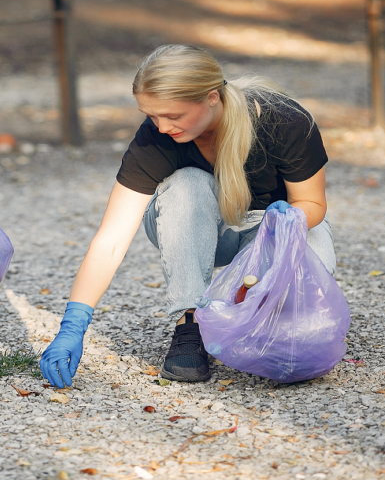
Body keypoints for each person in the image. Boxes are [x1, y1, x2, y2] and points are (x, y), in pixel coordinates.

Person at [40, 44, 335, 387]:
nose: (162, 127)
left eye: (173, 116)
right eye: (151, 115)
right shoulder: (157, 139)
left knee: (296, 335)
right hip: (203, 230)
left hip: (270, 231)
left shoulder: (283, 120)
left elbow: (312, 204)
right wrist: (73, 325)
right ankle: (190, 325)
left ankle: (263, 317)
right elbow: (112, 238)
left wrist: (289, 221)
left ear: (211, 98)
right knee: (186, 184)